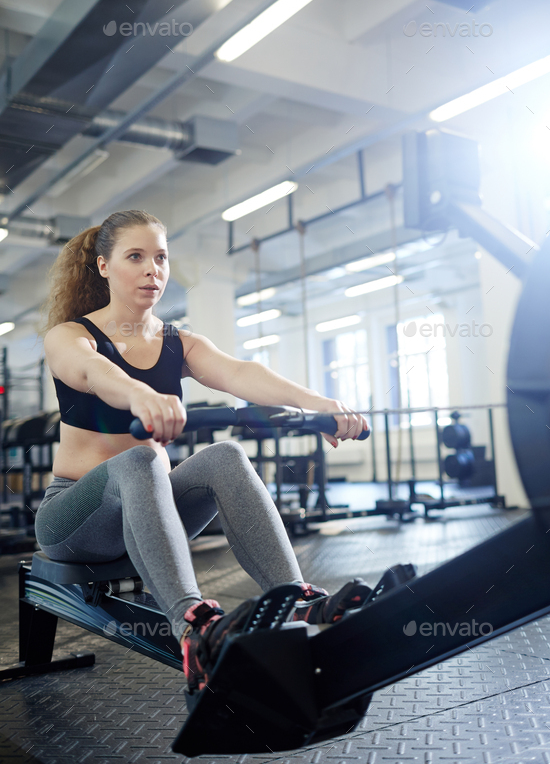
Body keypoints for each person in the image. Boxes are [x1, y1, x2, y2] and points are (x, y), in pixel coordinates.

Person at [35, 209, 371, 696]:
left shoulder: (179, 343)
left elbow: (241, 373)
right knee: (142, 458)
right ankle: (192, 624)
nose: (153, 270)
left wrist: (317, 403)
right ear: (104, 266)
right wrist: (139, 394)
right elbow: (91, 371)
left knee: (225, 455)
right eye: (136, 257)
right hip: (75, 521)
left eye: (161, 258)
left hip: (148, 515)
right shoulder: (70, 336)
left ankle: (293, 598)